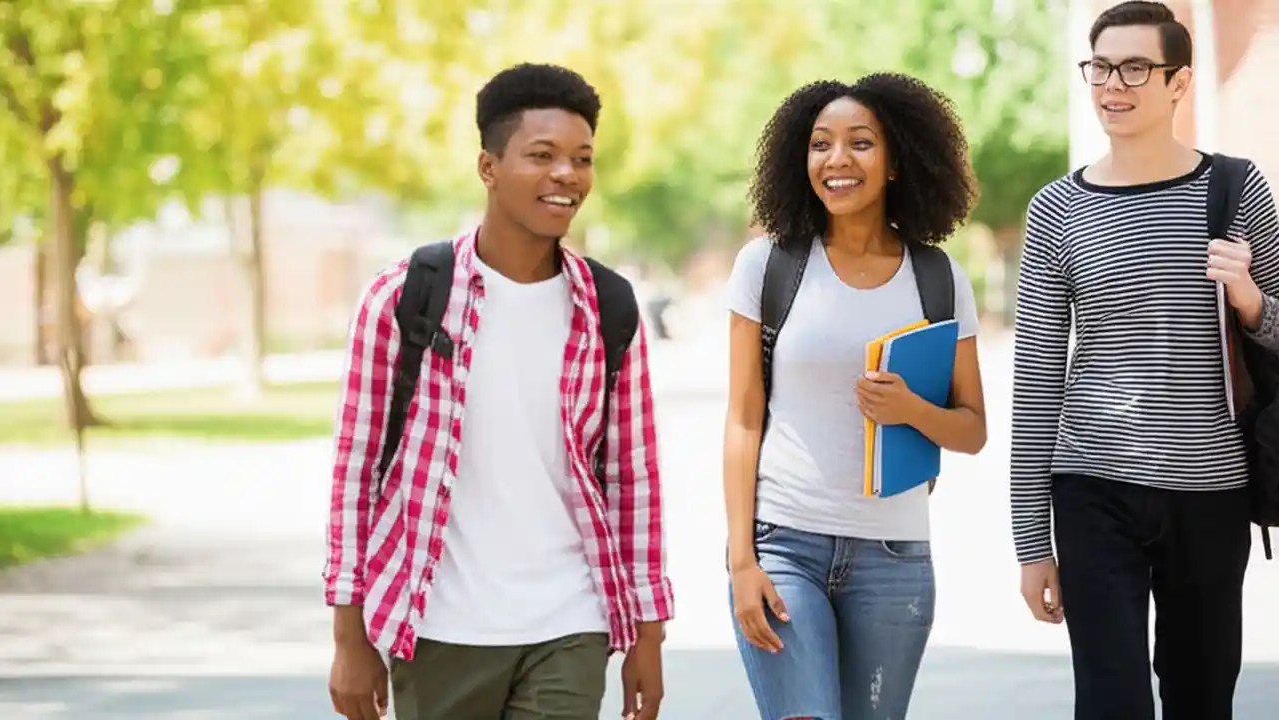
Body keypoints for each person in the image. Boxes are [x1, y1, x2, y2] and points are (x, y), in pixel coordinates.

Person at [323, 63, 673, 720]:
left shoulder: (608, 307)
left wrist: (647, 635)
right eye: (541, 156)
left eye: (581, 159)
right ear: (489, 168)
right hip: (439, 626)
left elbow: (633, 479)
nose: (566, 175)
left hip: (569, 619)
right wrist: (349, 636)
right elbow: (355, 473)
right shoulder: (403, 300)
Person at [1011, 3, 1279, 719]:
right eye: (1100, 67)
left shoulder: (1236, 188)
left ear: (1179, 82)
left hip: (1211, 490)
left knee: (1201, 697)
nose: (1112, 85)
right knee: (1110, 702)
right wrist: (1031, 541)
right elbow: (1036, 378)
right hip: (1092, 486)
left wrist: (1251, 300)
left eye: (1135, 68)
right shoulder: (1056, 210)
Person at [723, 73, 988, 720]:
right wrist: (741, 563)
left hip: (893, 558)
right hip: (784, 545)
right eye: (820, 144)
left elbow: (972, 429)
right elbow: (742, 419)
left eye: (860, 143)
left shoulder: (938, 278)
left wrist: (912, 412)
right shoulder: (767, 267)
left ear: (897, 160)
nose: (837, 160)